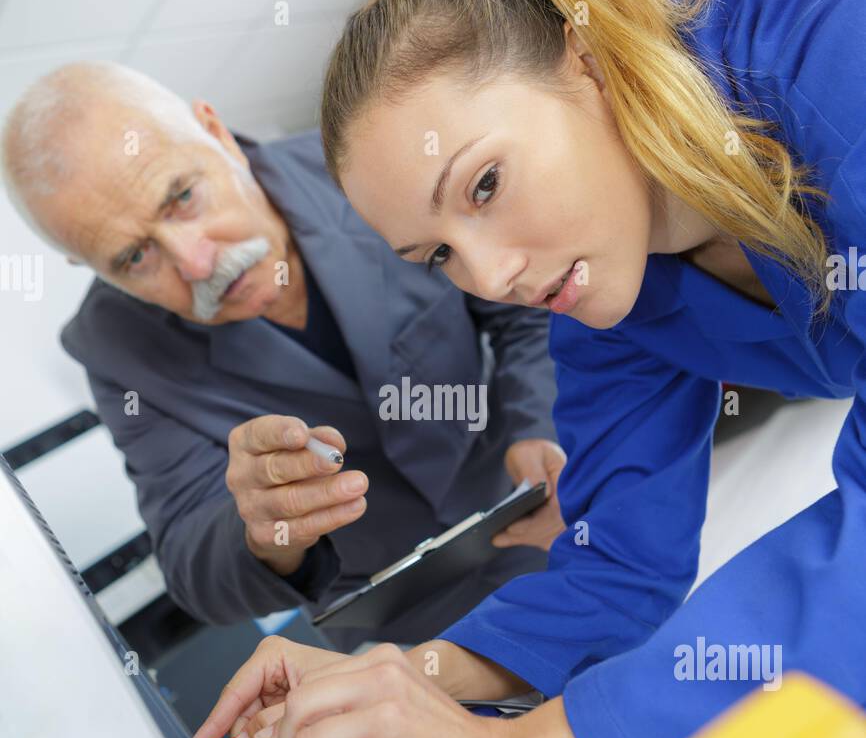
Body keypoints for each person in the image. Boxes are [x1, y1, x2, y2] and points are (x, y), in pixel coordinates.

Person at [187, 0, 866, 738]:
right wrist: (401, 682)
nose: (493, 274)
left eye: (487, 183)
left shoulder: (834, 40)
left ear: (583, 58)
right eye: (439, 257)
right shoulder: (605, 305)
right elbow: (616, 568)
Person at [0, 64, 566, 650]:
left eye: (183, 197)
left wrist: (538, 424)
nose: (196, 263)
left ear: (216, 133)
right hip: (412, 617)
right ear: (88, 267)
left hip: (539, 509)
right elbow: (192, 568)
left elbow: (520, 307)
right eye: (134, 258)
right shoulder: (113, 346)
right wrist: (262, 532)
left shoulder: (360, 167)